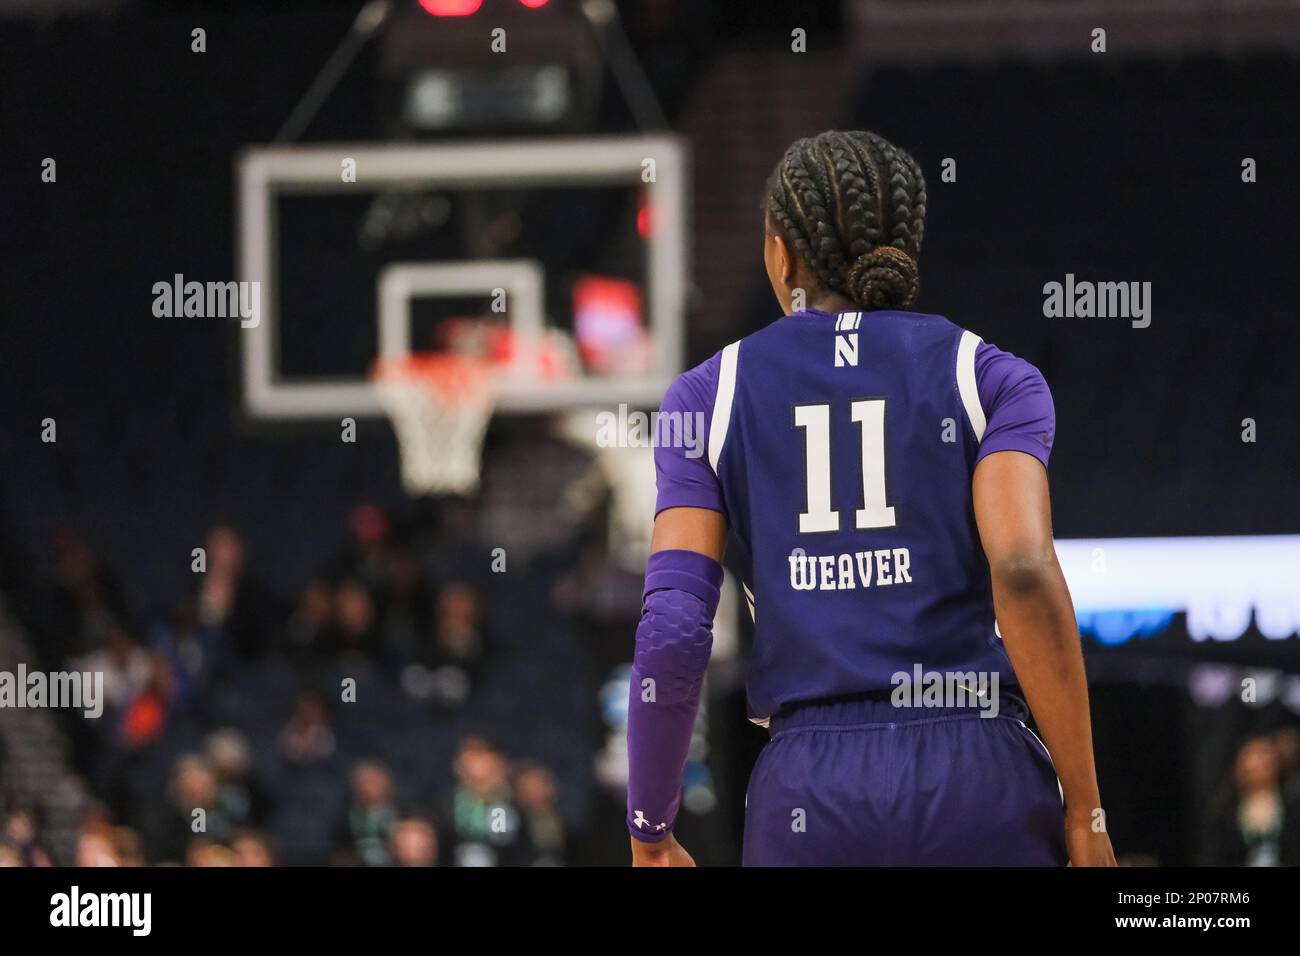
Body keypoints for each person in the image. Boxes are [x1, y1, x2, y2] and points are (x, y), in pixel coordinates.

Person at [625, 130, 1114, 867]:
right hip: (976, 767)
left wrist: (650, 831)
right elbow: (1021, 566)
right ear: (906, 246)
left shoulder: (706, 398)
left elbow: (672, 626)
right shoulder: (991, 377)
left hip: (809, 790)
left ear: (780, 254)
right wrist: (1086, 809)